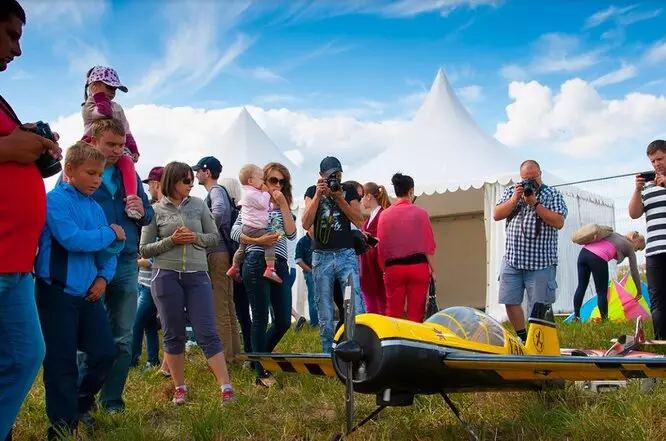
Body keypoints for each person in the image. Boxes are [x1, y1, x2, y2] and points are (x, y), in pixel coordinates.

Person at [0, 2, 62, 439]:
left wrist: (34, 152)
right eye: (9, 33)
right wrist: (8, 149)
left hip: (15, 262)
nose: (17, 49)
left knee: (25, 356)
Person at [35, 142, 124, 440]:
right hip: (56, 293)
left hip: (89, 295)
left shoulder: (95, 207)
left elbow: (109, 251)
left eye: (100, 174)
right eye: (91, 173)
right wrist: (110, 232)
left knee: (104, 353)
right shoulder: (54, 202)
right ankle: (61, 428)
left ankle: (80, 404)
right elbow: (73, 240)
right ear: (69, 170)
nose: (97, 179)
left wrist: (103, 278)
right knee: (61, 364)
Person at [71, 118, 153, 414]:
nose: (118, 150)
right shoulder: (76, 173)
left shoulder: (128, 175)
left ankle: (112, 401)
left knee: (124, 335)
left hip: (127, 261)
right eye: (111, 144)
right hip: (90, 263)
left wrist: (144, 211)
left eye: (121, 145)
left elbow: (147, 216)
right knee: (88, 336)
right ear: (94, 142)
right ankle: (83, 400)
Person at [139, 161, 236, 405]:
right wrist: (171, 241)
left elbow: (214, 237)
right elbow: (144, 249)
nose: (191, 184)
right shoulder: (156, 210)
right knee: (173, 333)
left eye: (192, 180)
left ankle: (226, 387)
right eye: (185, 181)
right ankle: (179, 387)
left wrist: (194, 238)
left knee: (207, 330)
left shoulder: (199, 205)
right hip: (165, 275)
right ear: (172, 181)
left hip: (197, 274)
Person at [230, 162, 296, 386]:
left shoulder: (279, 204)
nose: (277, 184)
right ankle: (261, 372)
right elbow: (235, 231)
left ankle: (258, 357)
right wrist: (258, 240)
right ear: (262, 181)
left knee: (284, 320)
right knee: (260, 317)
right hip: (256, 260)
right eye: (273, 180)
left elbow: (291, 233)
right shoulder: (251, 202)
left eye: (281, 181)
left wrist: (284, 205)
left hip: (279, 263)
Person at [492, 160, 567, 343]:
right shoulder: (512, 192)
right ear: (521, 178)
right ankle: (522, 337)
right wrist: (515, 199)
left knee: (539, 306)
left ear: (540, 174)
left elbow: (558, 222)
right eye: (526, 179)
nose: (530, 182)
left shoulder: (552, 194)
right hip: (513, 259)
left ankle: (539, 342)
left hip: (541, 263)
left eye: (533, 178)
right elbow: (496, 214)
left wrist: (535, 204)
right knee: (509, 300)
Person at [302, 156, 366, 353]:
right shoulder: (312, 192)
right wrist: (318, 197)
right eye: (331, 175)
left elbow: (359, 220)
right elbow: (305, 223)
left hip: (345, 253)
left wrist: (339, 197)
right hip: (321, 255)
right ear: (321, 176)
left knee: (354, 305)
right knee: (325, 309)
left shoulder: (348, 190)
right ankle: (328, 353)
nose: (335, 179)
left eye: (338, 175)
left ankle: (359, 349)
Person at [193, 156, 242, 365]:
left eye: (198, 171)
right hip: (225, 253)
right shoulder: (220, 191)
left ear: (207, 172)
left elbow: (220, 212)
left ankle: (225, 358)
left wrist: (204, 230)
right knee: (228, 307)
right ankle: (235, 356)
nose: (196, 175)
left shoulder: (215, 191)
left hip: (217, 252)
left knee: (219, 307)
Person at [80, 65, 141, 220]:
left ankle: (131, 200)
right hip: (89, 143)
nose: (112, 93)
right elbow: (104, 112)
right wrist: (98, 95)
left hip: (116, 141)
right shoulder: (88, 106)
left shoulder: (118, 108)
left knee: (127, 161)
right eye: (109, 87)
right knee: (75, 159)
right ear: (94, 86)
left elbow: (126, 130)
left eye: (115, 89)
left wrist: (132, 148)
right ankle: (69, 193)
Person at [377, 173, 435, 322]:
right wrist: (433, 269)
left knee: (393, 314)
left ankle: (394, 343)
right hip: (418, 266)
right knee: (416, 314)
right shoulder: (421, 213)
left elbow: (381, 247)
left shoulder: (385, 215)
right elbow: (428, 246)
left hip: (394, 268)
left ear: (395, 191)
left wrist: (384, 269)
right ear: (411, 190)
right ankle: (416, 343)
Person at [629, 139, 666, 339]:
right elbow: (634, 213)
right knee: (658, 300)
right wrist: (637, 190)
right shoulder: (648, 187)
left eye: (660, 158)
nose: (656, 164)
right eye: (652, 161)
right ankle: (662, 344)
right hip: (655, 251)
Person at [131, 166, 164, 370]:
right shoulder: (156, 210)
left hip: (151, 279)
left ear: (156, 184)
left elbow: (153, 257)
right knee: (150, 324)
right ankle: (152, 360)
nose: (149, 188)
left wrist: (135, 261)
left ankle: (131, 359)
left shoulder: (159, 214)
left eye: (151, 184)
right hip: (145, 281)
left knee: (136, 323)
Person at [572, 231, 645, 322]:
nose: (635, 251)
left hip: (584, 253)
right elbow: (634, 271)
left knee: (581, 286)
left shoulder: (616, 234)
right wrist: (639, 291)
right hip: (598, 257)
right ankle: (605, 321)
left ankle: (576, 317)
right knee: (602, 292)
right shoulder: (629, 247)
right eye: (638, 248)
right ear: (637, 241)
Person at [227, 164, 281, 283]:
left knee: (242, 247)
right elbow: (262, 204)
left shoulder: (252, 193)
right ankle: (270, 269)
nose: (263, 182)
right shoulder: (251, 194)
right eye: (262, 179)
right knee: (271, 240)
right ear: (251, 181)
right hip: (254, 228)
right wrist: (266, 193)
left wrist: (273, 204)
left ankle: (234, 268)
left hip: (248, 228)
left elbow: (264, 207)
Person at [360, 182, 391, 315]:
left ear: (368, 196)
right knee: (370, 301)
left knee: (381, 299)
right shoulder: (368, 220)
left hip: (377, 264)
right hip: (367, 264)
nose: (360, 201)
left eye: (361, 197)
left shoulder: (383, 215)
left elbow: (384, 239)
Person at [295, 227, 319, 328]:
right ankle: (314, 323)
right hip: (310, 273)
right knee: (313, 297)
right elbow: (298, 260)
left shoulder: (322, 239)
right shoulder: (302, 242)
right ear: (308, 227)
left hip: (324, 272)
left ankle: (324, 321)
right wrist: (311, 271)